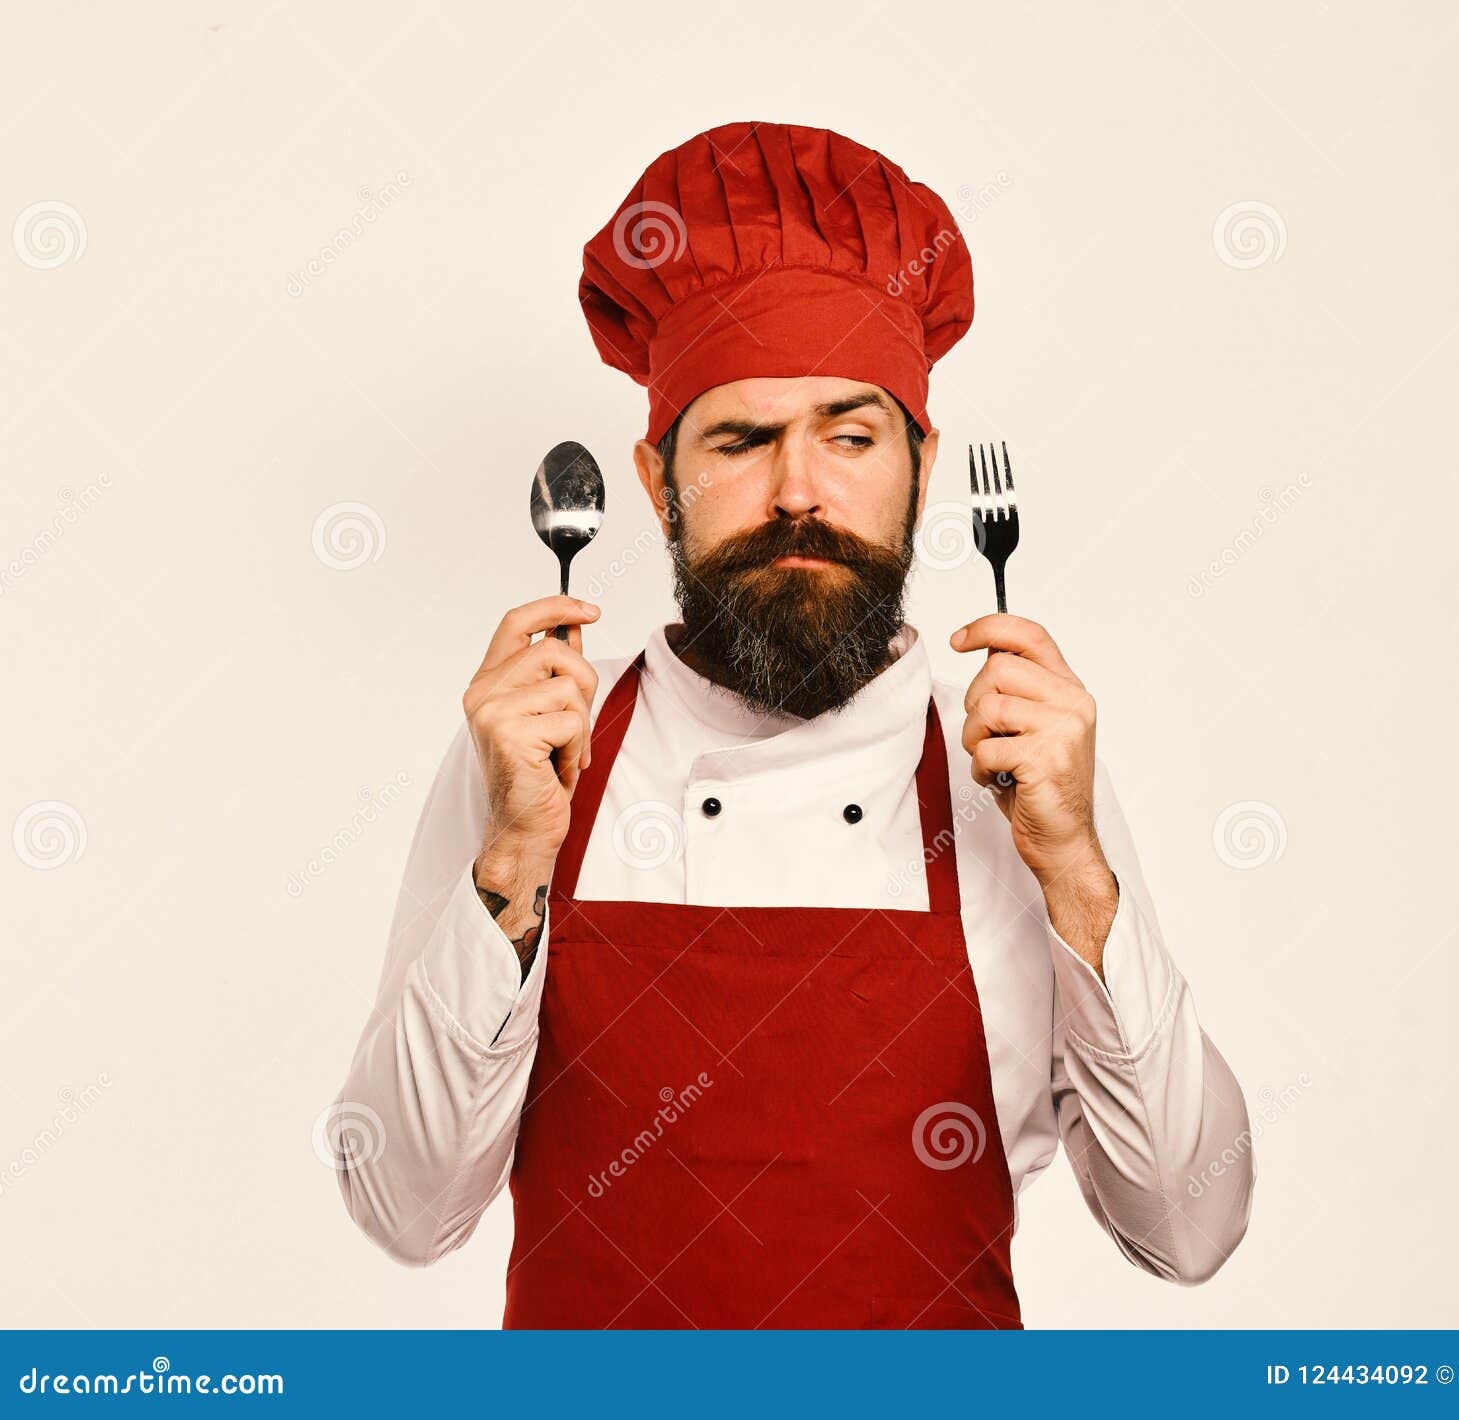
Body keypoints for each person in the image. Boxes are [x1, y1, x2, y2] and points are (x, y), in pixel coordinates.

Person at [332, 121, 1253, 1329]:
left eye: (849, 434)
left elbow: (1189, 1228)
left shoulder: (1014, 764)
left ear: (921, 466)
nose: (799, 491)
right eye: (743, 439)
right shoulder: (541, 749)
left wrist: (1077, 873)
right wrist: (510, 862)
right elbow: (404, 1208)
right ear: (658, 481)